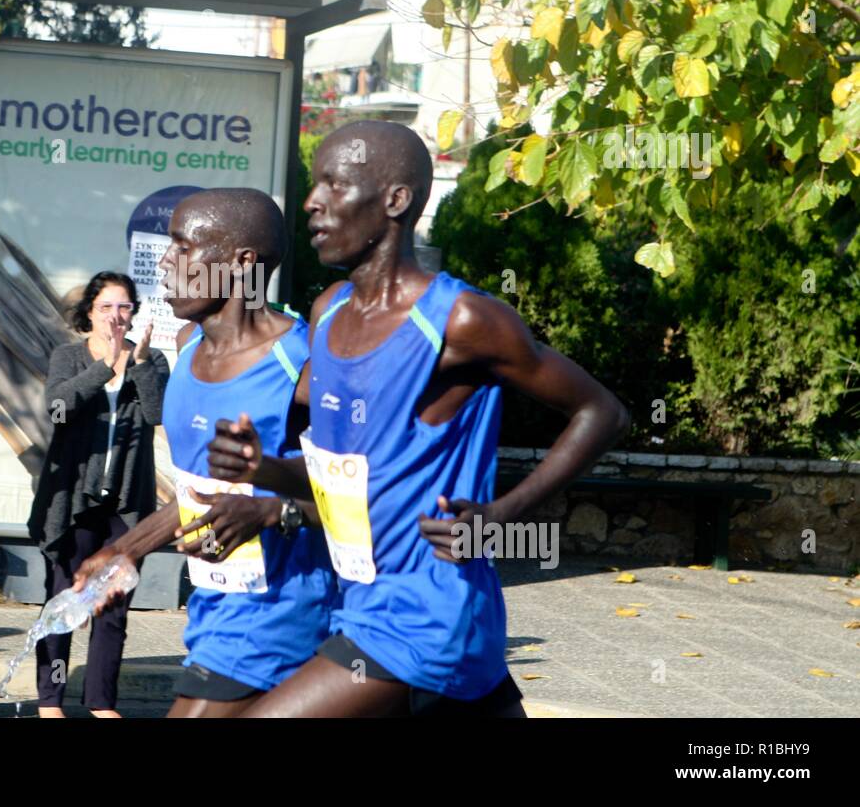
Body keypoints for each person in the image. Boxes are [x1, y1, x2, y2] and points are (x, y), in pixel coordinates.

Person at [208, 121, 631, 717]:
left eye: (334, 184)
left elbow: (603, 413)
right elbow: (343, 479)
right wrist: (265, 469)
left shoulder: (461, 320)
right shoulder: (327, 314)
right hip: (365, 607)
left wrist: (498, 518)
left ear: (395, 201)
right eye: (314, 185)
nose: (312, 202)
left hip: (424, 617)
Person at [74, 189, 336, 718]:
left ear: (241, 264)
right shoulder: (189, 343)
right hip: (212, 614)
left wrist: (271, 512)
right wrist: (132, 547)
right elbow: (207, 493)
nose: (165, 264)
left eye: (182, 248)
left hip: (284, 618)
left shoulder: (304, 368)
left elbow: (362, 495)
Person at [27, 272, 169, 718]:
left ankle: (101, 702)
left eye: (124, 306)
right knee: (64, 600)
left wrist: (139, 365)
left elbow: (157, 412)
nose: (115, 316)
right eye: (106, 307)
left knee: (112, 606)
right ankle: (51, 700)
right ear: (89, 312)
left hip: (125, 503)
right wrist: (104, 367)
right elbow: (58, 407)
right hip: (74, 502)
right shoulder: (68, 356)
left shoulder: (154, 359)